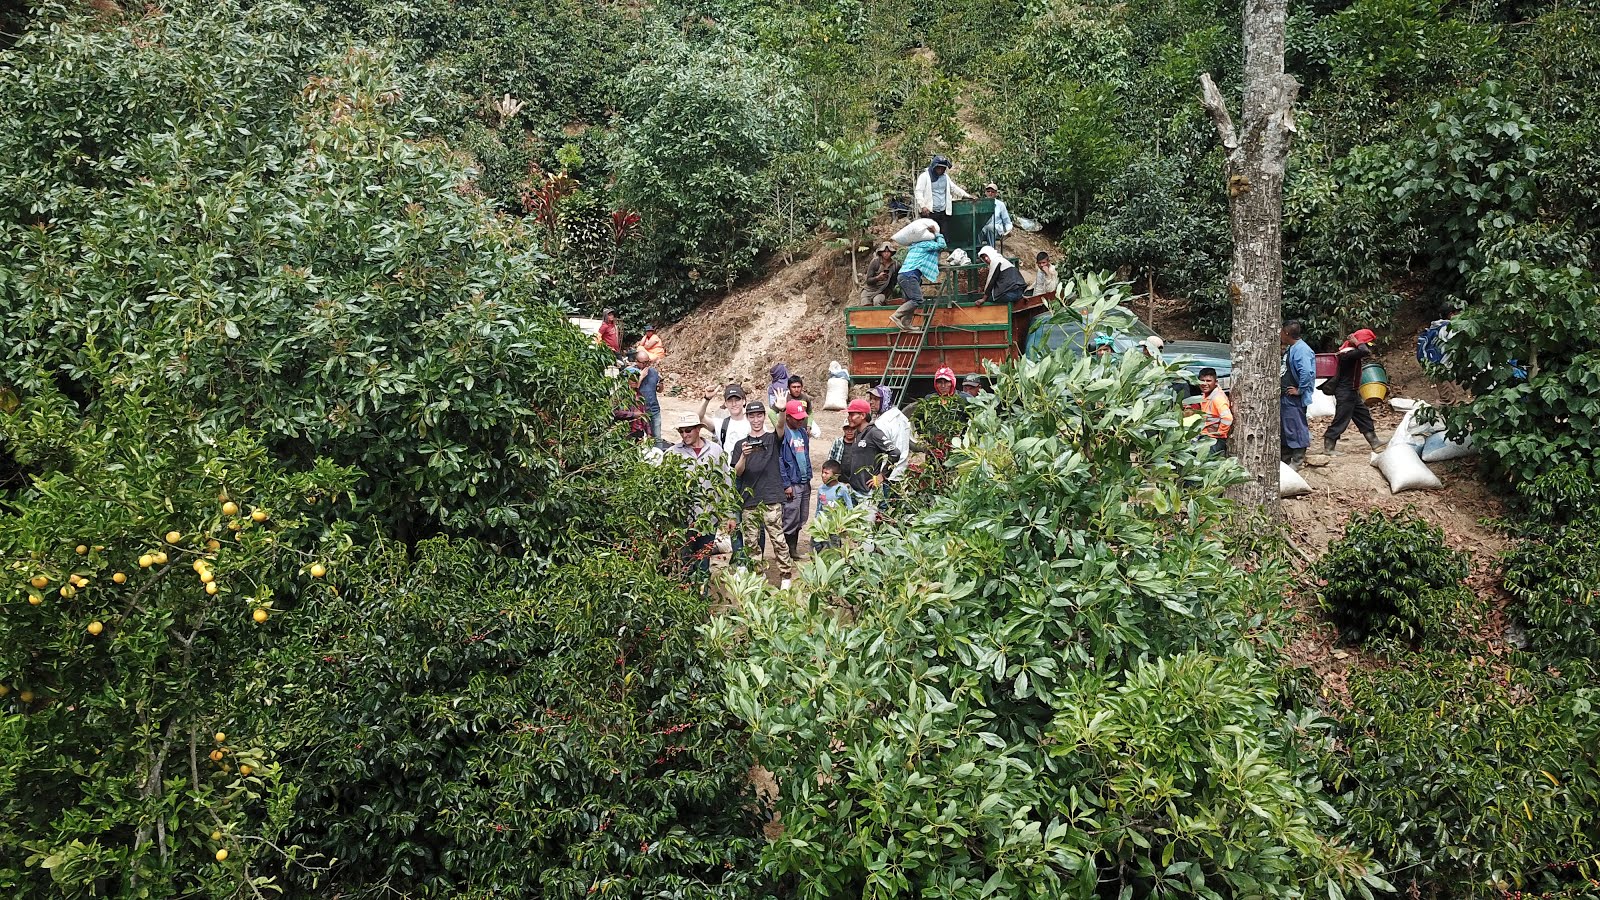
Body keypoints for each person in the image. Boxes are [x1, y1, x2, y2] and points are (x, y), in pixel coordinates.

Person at [730, 400, 792, 588]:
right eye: (752, 416)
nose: (756, 419)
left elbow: (781, 427)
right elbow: (737, 472)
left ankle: (786, 577)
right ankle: (758, 576)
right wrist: (743, 456)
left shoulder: (772, 439)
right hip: (749, 501)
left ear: (764, 416)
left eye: (759, 415)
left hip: (771, 498)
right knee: (751, 544)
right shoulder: (741, 444)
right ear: (747, 417)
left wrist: (781, 409)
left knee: (778, 540)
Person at [665, 411, 728, 575]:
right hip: (683, 520)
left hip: (709, 518)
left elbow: (726, 482)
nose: (684, 435)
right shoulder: (672, 453)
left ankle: (702, 596)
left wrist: (728, 514)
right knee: (685, 562)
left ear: (698, 429)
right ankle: (688, 598)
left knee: (703, 561)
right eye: (681, 431)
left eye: (688, 430)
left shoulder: (715, 450)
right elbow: (663, 486)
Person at [1324, 328, 1382, 454]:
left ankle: (1375, 443)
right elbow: (1364, 351)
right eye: (1366, 343)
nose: (1367, 346)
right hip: (1345, 392)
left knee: (1363, 416)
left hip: (1352, 391)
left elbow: (1364, 350)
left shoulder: (1350, 352)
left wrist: (1358, 343)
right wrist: (1357, 342)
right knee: (1341, 419)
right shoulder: (1347, 354)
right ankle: (1329, 447)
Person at [840, 398, 900, 501]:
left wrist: (882, 476)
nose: (849, 418)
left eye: (852, 414)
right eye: (848, 414)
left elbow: (895, 453)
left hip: (868, 493)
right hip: (854, 491)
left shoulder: (874, 433)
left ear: (862, 416)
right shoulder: (857, 434)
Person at [891, 225, 947, 332]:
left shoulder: (915, 246)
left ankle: (906, 324)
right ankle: (896, 315)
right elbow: (942, 245)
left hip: (903, 275)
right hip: (909, 275)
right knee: (917, 299)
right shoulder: (926, 244)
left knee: (910, 301)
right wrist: (936, 233)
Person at [779, 399, 813, 561]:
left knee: (801, 516)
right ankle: (786, 551)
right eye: (797, 418)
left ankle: (793, 548)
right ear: (787, 417)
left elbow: (805, 456)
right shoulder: (782, 435)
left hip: (804, 481)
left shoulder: (802, 433)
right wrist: (786, 484)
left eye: (802, 418)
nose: (800, 420)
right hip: (792, 483)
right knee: (790, 517)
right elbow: (779, 461)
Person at [1279, 321, 1316, 469]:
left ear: (1286, 333)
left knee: (1296, 426)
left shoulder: (1302, 350)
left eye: (1281, 332)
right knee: (1286, 427)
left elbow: (1306, 372)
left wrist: (1300, 390)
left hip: (1293, 397)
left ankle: (1297, 460)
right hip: (1286, 396)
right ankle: (1286, 459)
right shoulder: (1292, 348)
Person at [913, 154, 972, 235]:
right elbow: (918, 191)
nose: (940, 170)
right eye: (938, 167)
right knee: (931, 235)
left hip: (943, 212)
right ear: (934, 166)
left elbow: (953, 188)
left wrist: (967, 196)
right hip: (930, 212)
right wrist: (923, 206)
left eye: (943, 168)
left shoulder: (945, 177)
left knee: (944, 235)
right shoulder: (925, 176)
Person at [868, 385, 913, 486]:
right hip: (901, 473)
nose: (871, 402)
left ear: (885, 400)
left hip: (886, 475)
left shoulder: (882, 423)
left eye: (876, 399)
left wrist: (882, 475)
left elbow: (894, 453)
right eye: (871, 399)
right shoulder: (902, 416)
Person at [812, 460, 854, 552]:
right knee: (816, 547)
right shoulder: (821, 489)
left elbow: (849, 507)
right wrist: (815, 522)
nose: (823, 475)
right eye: (822, 472)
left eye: (826, 473)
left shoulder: (842, 489)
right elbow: (819, 507)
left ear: (836, 476)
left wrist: (845, 525)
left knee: (832, 549)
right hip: (821, 525)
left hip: (834, 527)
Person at [701, 383, 752, 450]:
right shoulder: (721, 424)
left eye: (737, 400)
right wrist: (706, 399)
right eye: (730, 401)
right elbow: (699, 418)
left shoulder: (754, 423)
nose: (734, 404)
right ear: (725, 404)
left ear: (744, 401)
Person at [1198, 367, 1232, 456]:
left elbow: (1227, 418)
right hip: (1208, 437)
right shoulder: (1206, 395)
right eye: (1202, 381)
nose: (1205, 384)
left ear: (1216, 382)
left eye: (1208, 381)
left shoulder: (1217, 398)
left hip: (1214, 441)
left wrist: (1220, 433)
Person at [633, 350, 661, 439]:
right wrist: (641, 377)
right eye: (644, 363)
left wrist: (661, 385)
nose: (647, 365)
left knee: (657, 437)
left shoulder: (653, 372)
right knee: (638, 438)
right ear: (637, 362)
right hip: (638, 411)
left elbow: (659, 390)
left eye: (648, 362)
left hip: (654, 409)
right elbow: (631, 390)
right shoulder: (631, 372)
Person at [979, 183, 1013, 249]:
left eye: (992, 192)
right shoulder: (982, 204)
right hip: (984, 229)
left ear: (996, 194)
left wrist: (1008, 230)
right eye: (988, 191)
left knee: (990, 227)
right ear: (985, 193)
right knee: (978, 230)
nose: (990, 193)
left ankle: (991, 251)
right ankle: (977, 252)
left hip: (996, 230)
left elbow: (1007, 221)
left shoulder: (1000, 205)